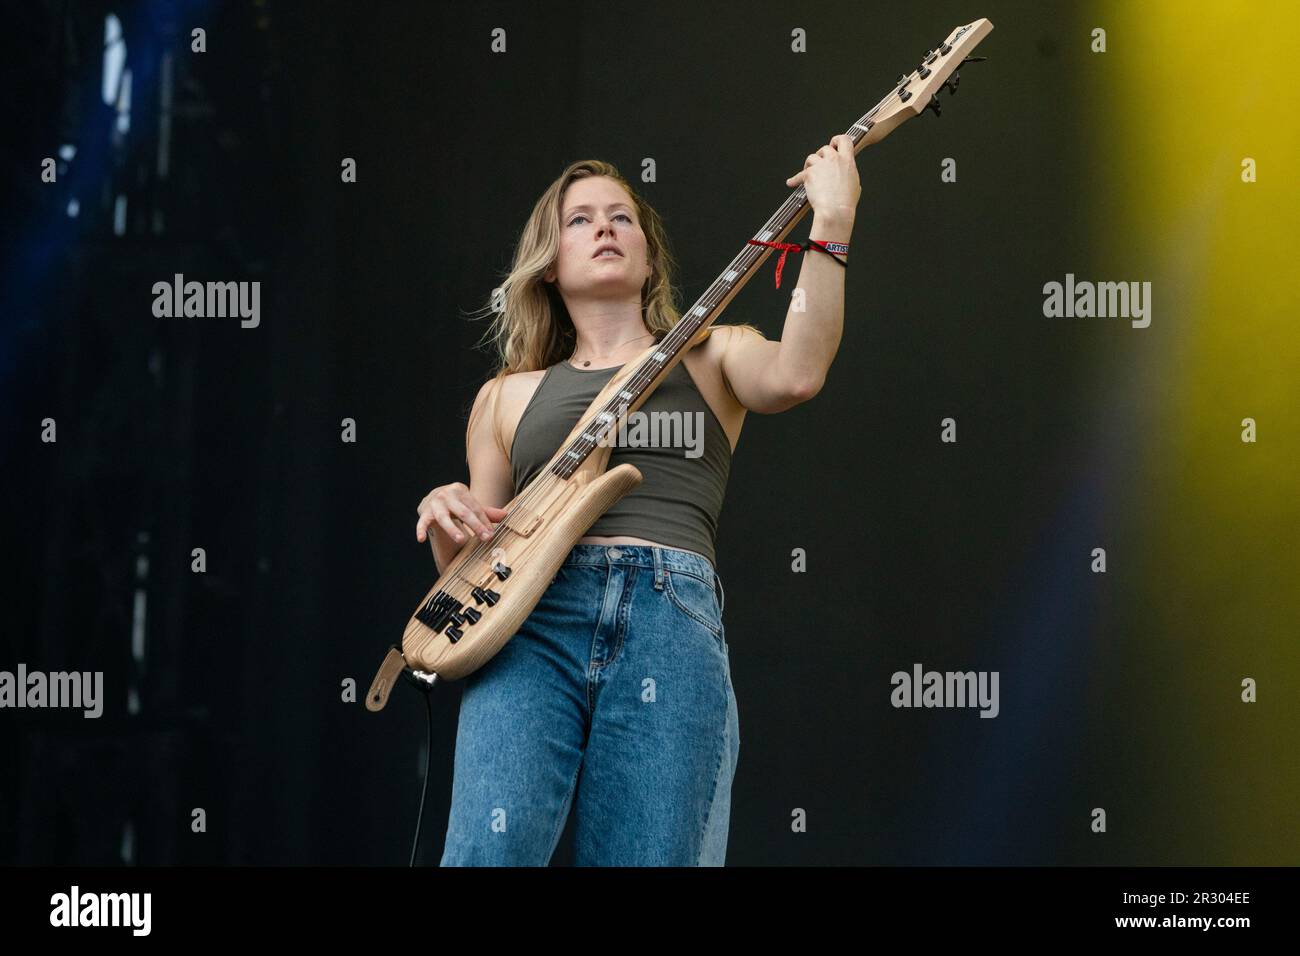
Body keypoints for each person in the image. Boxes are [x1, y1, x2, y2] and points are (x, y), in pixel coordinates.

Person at [416, 140, 860, 865]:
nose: (605, 227)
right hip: (530, 630)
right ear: (550, 266)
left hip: (669, 618)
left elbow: (799, 373)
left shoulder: (715, 355)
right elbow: (469, 577)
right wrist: (446, 516)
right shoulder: (504, 396)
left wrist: (832, 219)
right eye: (581, 219)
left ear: (649, 260)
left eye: (623, 217)